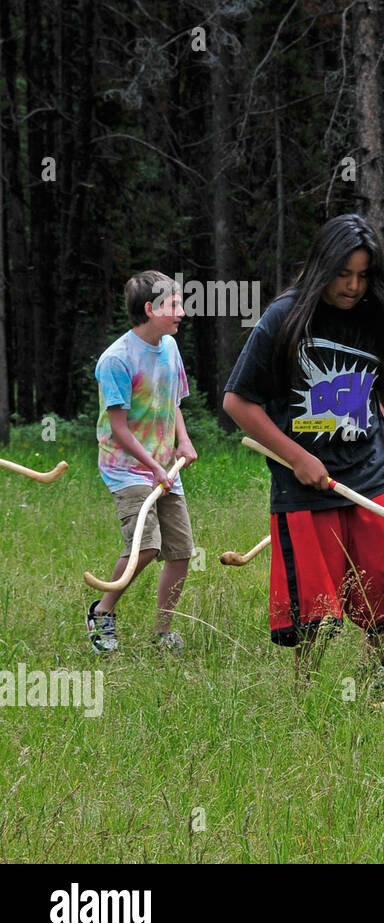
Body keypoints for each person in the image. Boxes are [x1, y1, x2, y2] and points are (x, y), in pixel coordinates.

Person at [223, 214, 384, 679]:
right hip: (307, 487)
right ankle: (308, 696)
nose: (353, 286)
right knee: (314, 607)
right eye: (344, 275)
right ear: (323, 265)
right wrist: (298, 456)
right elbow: (238, 402)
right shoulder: (284, 318)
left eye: (363, 276)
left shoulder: (374, 316)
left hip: (373, 471)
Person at [86, 271, 198, 653]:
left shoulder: (169, 347)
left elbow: (174, 403)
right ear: (150, 309)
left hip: (165, 467)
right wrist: (152, 465)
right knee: (146, 547)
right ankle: (102, 613)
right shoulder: (116, 360)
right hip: (127, 468)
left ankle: (163, 632)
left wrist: (183, 441)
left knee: (181, 553)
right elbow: (118, 428)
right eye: (174, 305)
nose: (182, 312)